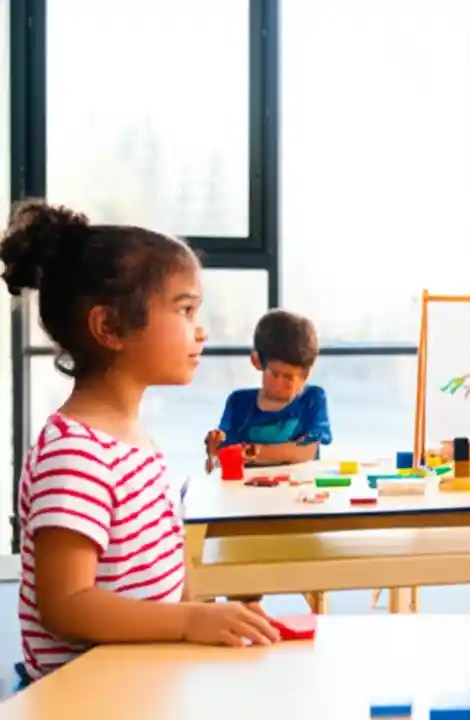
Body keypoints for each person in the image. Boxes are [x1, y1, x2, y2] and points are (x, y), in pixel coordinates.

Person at [1, 201, 278, 685]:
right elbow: (65, 605)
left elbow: (166, 565)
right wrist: (190, 622)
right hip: (83, 698)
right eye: (185, 309)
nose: (201, 328)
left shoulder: (133, 439)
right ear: (109, 327)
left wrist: (197, 612)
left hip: (138, 682)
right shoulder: (74, 453)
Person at [204, 309, 331, 471]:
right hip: (245, 492)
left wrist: (256, 452)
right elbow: (222, 455)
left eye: (289, 377)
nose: (279, 384)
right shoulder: (239, 403)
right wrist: (214, 450)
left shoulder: (312, 399)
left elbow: (306, 451)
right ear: (256, 361)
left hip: (297, 490)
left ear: (305, 375)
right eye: (274, 374)